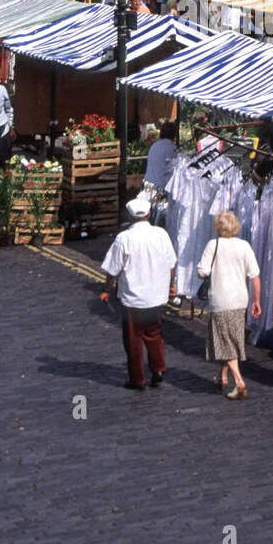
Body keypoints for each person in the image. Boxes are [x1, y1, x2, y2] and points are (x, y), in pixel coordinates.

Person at [99, 195, 176, 390]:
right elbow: (171, 264)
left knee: (133, 339)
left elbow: (113, 269)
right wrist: (171, 285)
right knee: (154, 332)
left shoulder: (124, 238)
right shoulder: (161, 234)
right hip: (155, 296)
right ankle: (158, 368)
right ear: (150, 214)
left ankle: (137, 379)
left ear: (130, 216)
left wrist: (106, 290)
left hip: (133, 298)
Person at [196, 211, 262, 399]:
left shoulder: (213, 245)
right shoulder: (244, 246)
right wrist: (256, 301)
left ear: (217, 226)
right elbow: (254, 276)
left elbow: (203, 271)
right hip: (240, 300)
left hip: (221, 300)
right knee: (231, 338)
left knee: (225, 341)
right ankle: (222, 377)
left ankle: (239, 382)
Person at [143, 119, 179, 192]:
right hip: (161, 189)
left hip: (148, 186)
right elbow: (176, 169)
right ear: (174, 134)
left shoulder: (154, 145)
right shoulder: (171, 148)